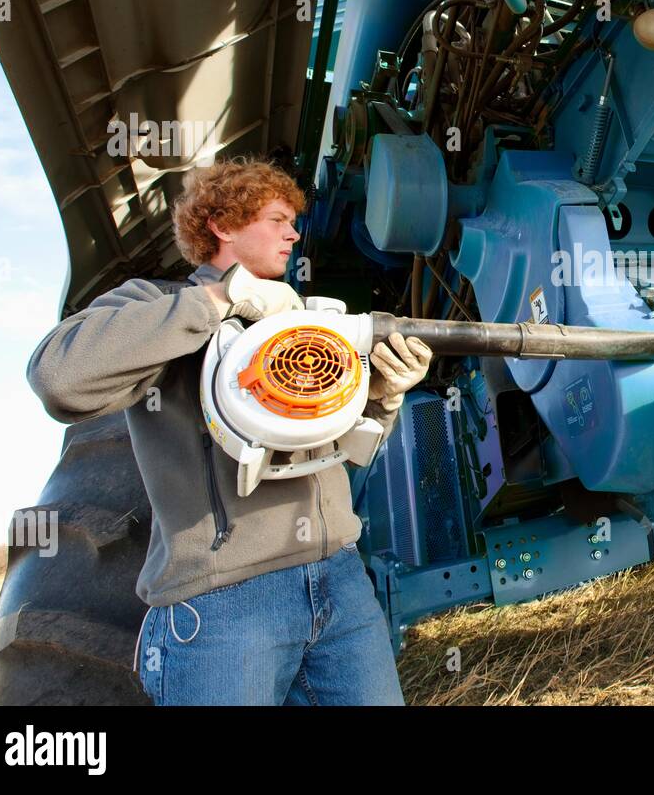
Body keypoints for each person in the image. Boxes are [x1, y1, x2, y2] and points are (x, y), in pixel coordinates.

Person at [26, 156, 432, 705]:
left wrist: (383, 397)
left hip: (339, 582)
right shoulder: (157, 306)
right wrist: (217, 301)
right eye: (275, 218)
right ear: (222, 225)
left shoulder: (303, 326)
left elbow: (342, 456)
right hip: (223, 604)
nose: (293, 232)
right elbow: (58, 378)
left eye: (294, 220)